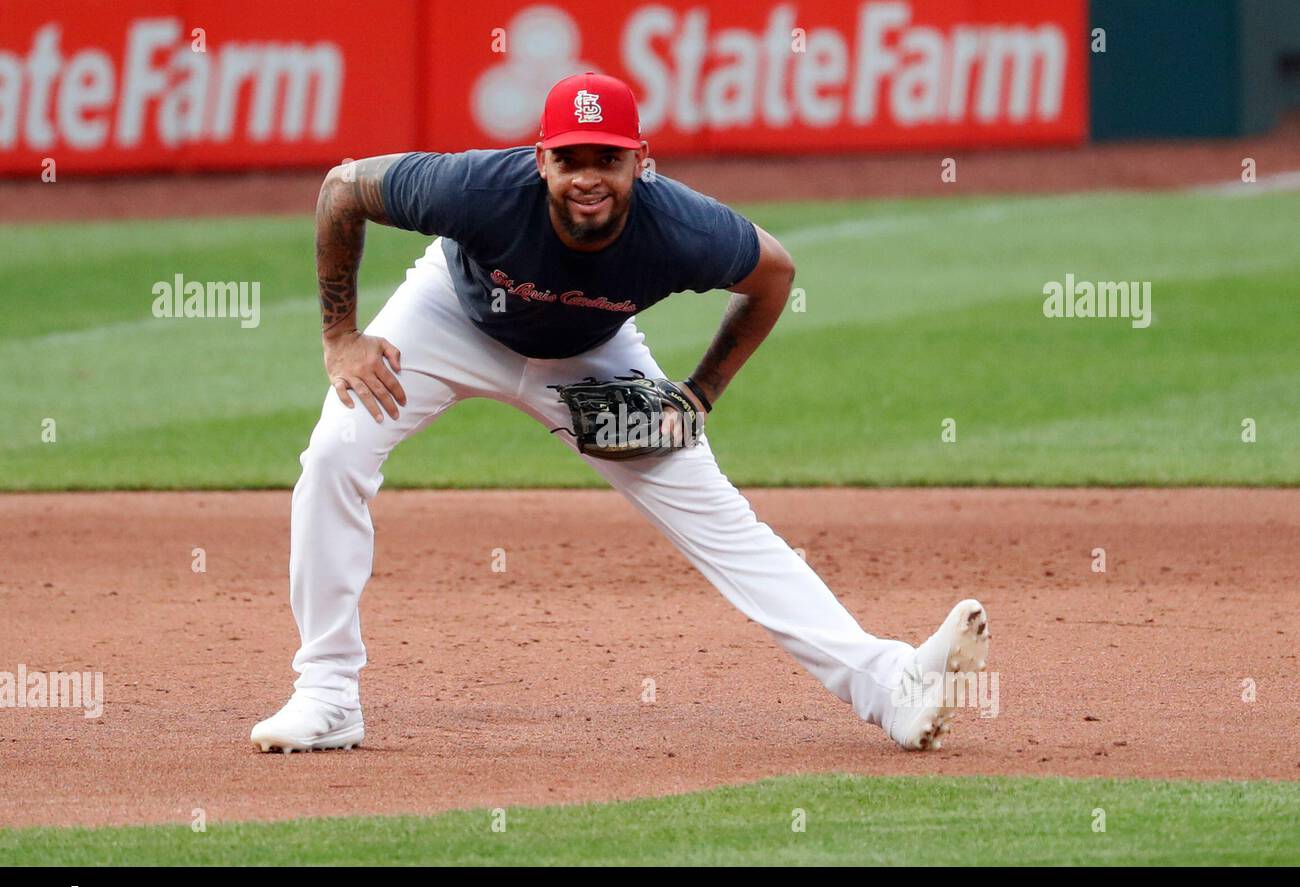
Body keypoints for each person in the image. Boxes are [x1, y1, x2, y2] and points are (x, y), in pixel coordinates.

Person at [250, 72, 990, 755]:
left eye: (606, 158)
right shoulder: (473, 187)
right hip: (450, 320)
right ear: (540, 159)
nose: (587, 178)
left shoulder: (683, 229)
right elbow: (344, 188)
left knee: (718, 516)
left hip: (592, 356)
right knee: (334, 456)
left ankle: (892, 686)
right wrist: (341, 336)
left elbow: (773, 275)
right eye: (571, 159)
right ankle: (328, 693)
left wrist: (698, 396)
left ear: (642, 161)